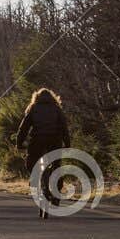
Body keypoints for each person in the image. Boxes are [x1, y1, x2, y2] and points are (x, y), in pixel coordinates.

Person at [14, 88, 71, 219]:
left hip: (37, 141)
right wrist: (67, 144)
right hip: (54, 141)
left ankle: (34, 180)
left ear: (36, 98)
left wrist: (19, 143)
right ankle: (56, 193)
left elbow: (23, 128)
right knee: (57, 167)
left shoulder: (33, 108)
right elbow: (64, 127)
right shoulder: (57, 109)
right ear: (52, 98)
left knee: (31, 164)